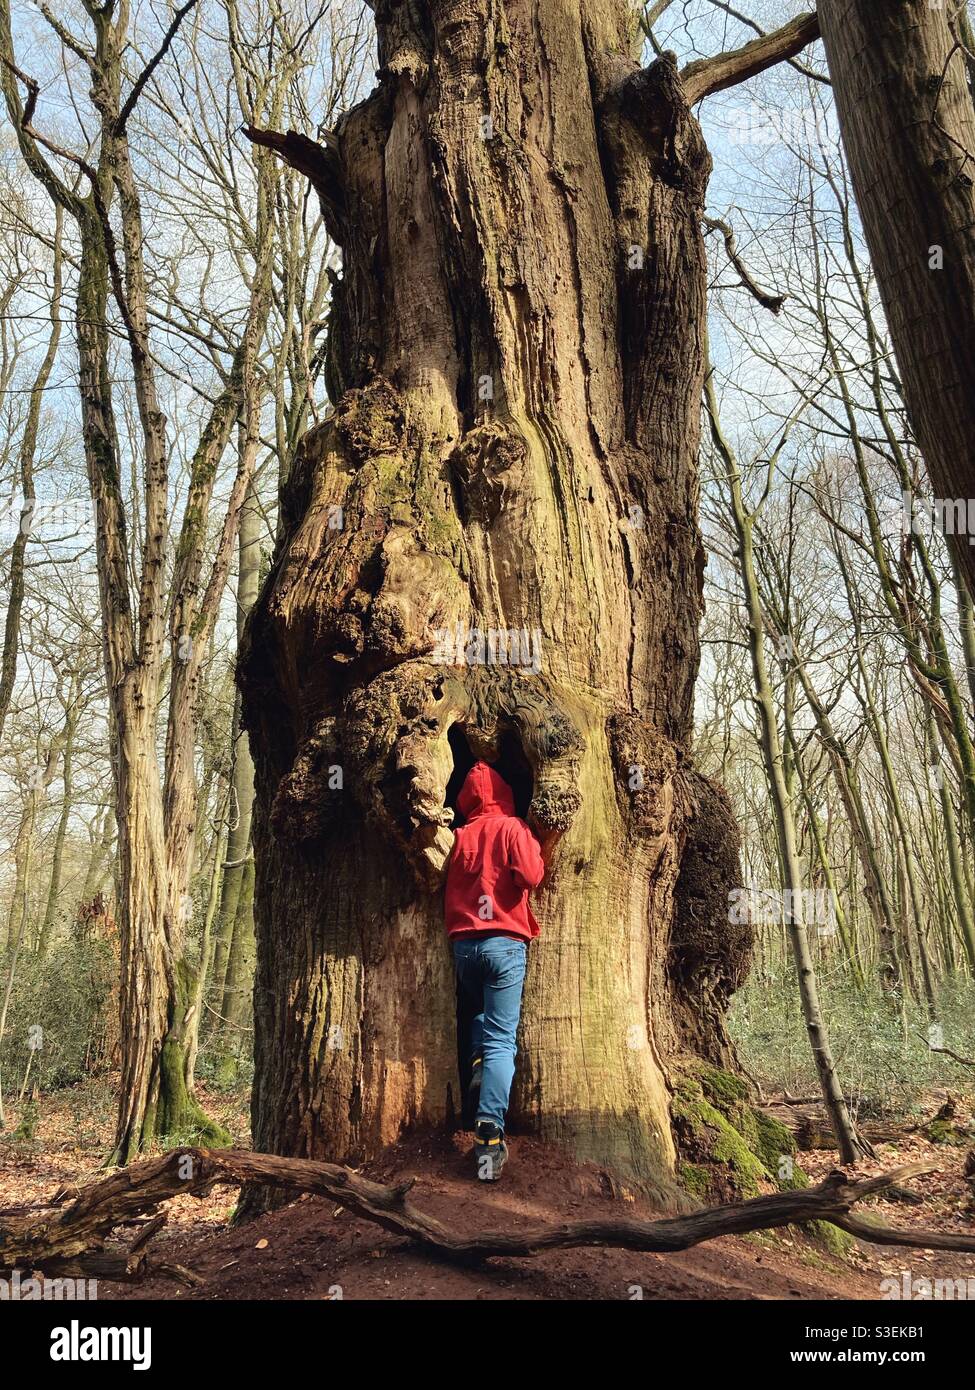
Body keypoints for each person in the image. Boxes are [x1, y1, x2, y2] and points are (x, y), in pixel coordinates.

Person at [444, 760, 549, 1181]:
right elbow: (531, 875)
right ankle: (488, 1135)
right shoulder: (512, 828)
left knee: (475, 1013)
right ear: (506, 792)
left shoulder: (460, 836)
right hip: (504, 943)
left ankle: (475, 1067)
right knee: (502, 1039)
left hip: (464, 946)